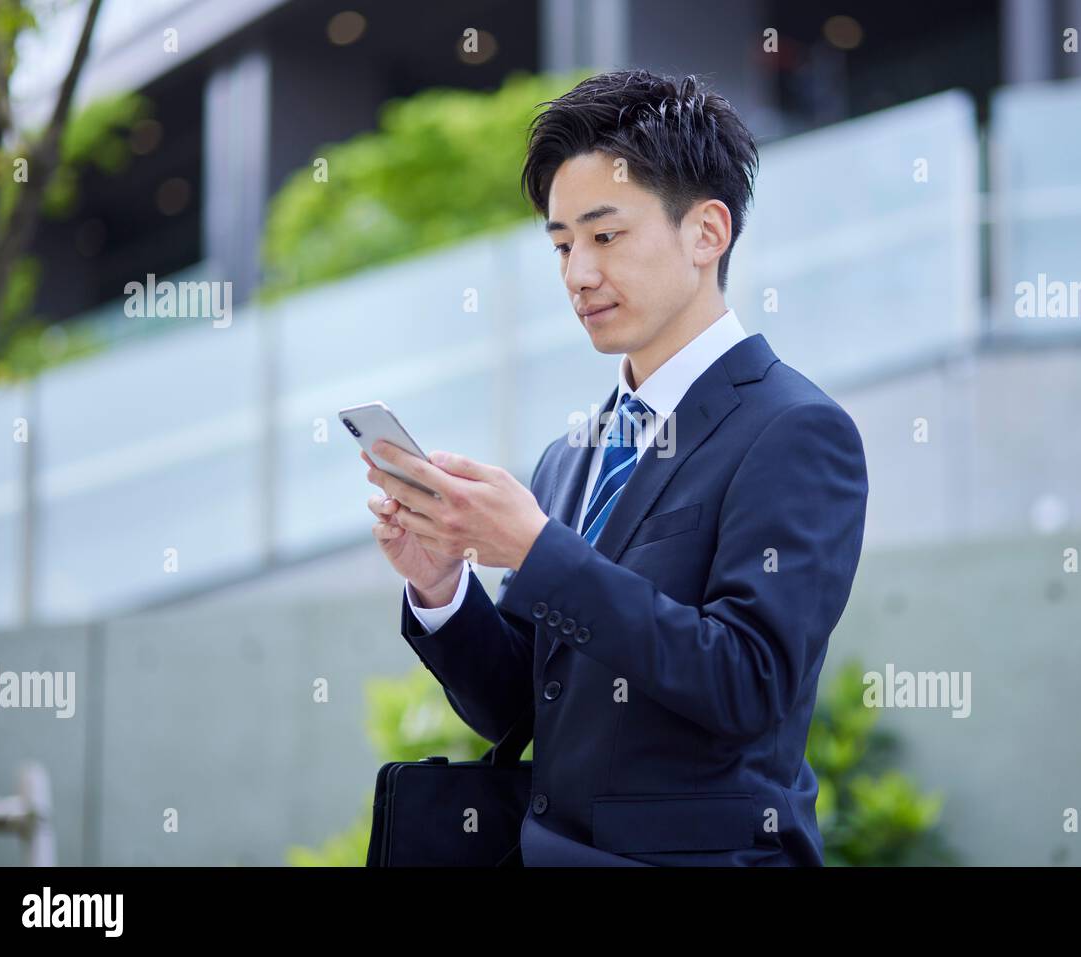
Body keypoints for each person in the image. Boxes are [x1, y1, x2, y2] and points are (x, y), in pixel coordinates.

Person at [362, 68, 868, 866]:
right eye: (561, 245)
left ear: (707, 232)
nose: (577, 275)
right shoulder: (571, 455)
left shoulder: (796, 431)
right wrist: (441, 586)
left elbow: (749, 683)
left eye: (605, 236)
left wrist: (535, 551)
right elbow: (522, 708)